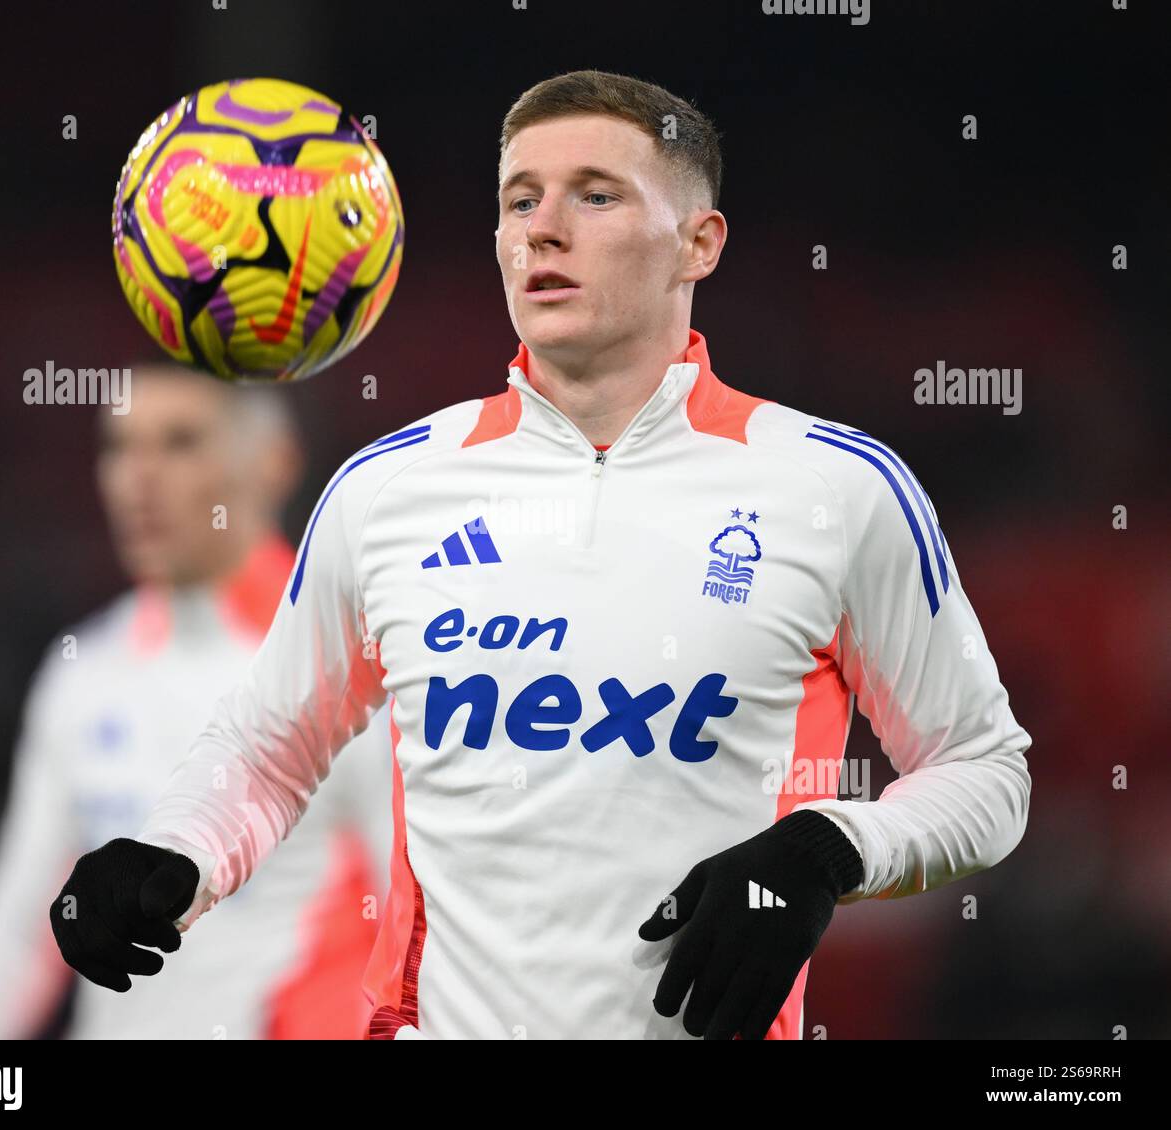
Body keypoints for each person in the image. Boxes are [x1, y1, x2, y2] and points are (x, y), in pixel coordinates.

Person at [50, 70, 1032, 1040]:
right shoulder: (387, 489)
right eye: (520, 199)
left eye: (594, 195)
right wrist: (170, 851)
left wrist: (829, 847)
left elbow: (984, 769)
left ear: (699, 242)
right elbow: (268, 748)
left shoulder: (835, 488)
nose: (542, 228)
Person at [0, 365, 391, 1039]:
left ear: (275, 463)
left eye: (181, 442)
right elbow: (20, 930)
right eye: (120, 446)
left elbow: (420, 920)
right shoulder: (86, 669)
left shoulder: (352, 660)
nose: (140, 478)